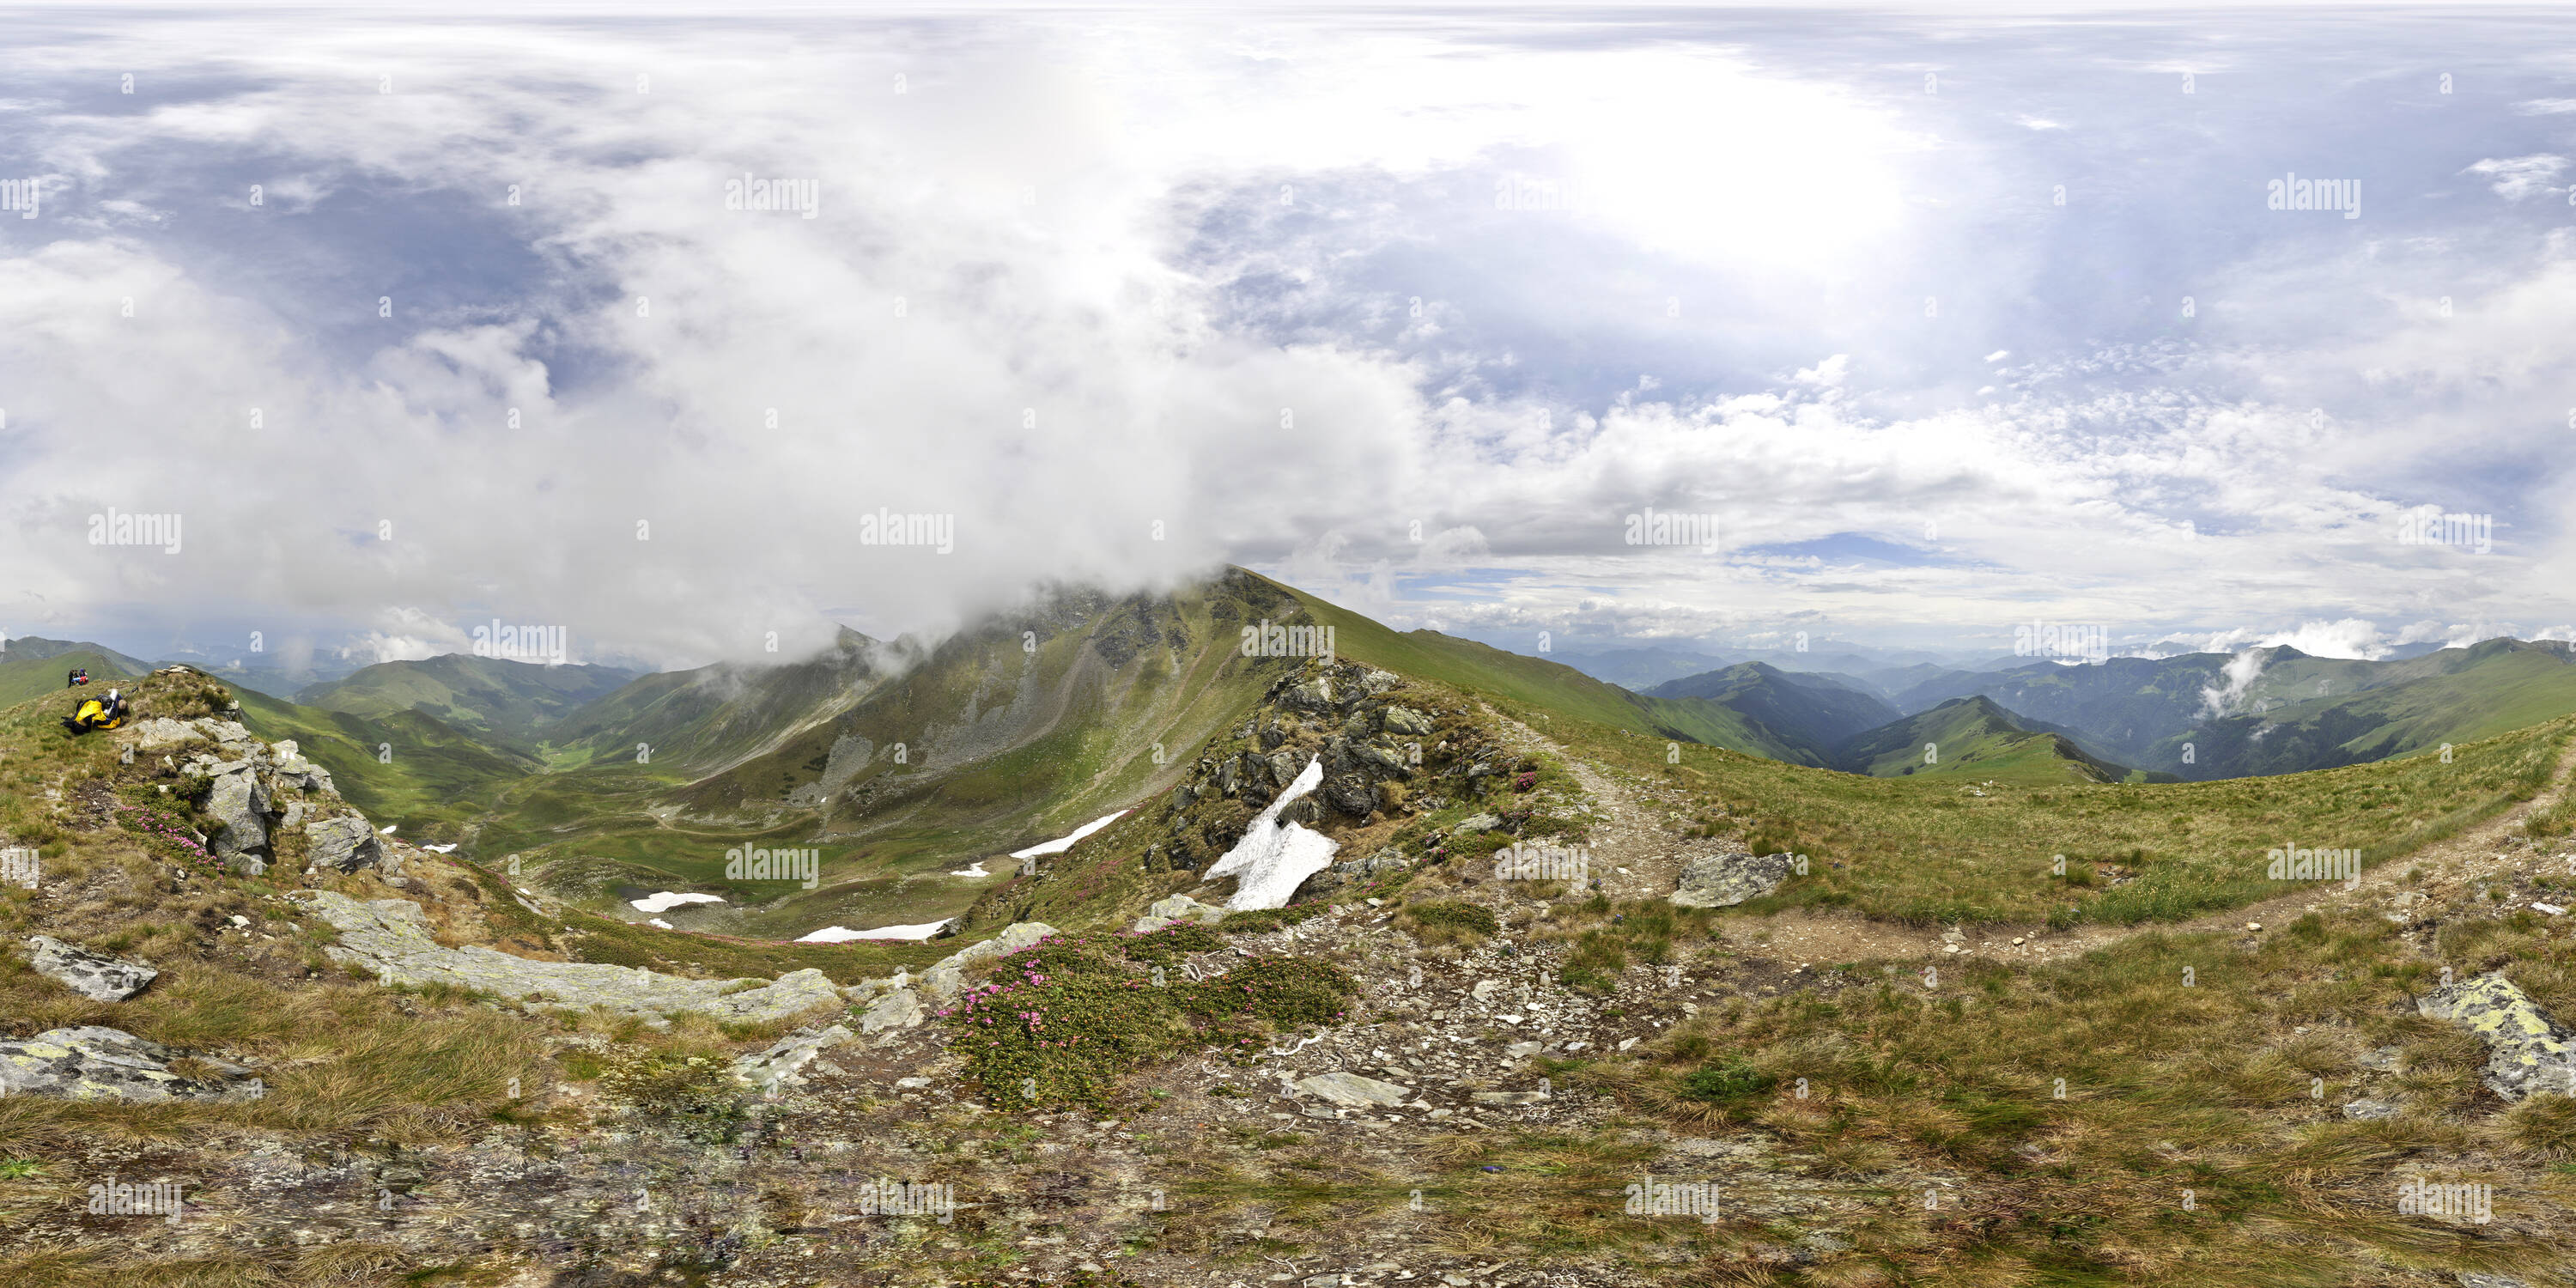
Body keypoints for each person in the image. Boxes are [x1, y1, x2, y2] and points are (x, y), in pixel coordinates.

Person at [61, 687, 127, 734]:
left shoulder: (92, 717)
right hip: (90, 719)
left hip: (88, 720)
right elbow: (112, 722)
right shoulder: (101, 718)